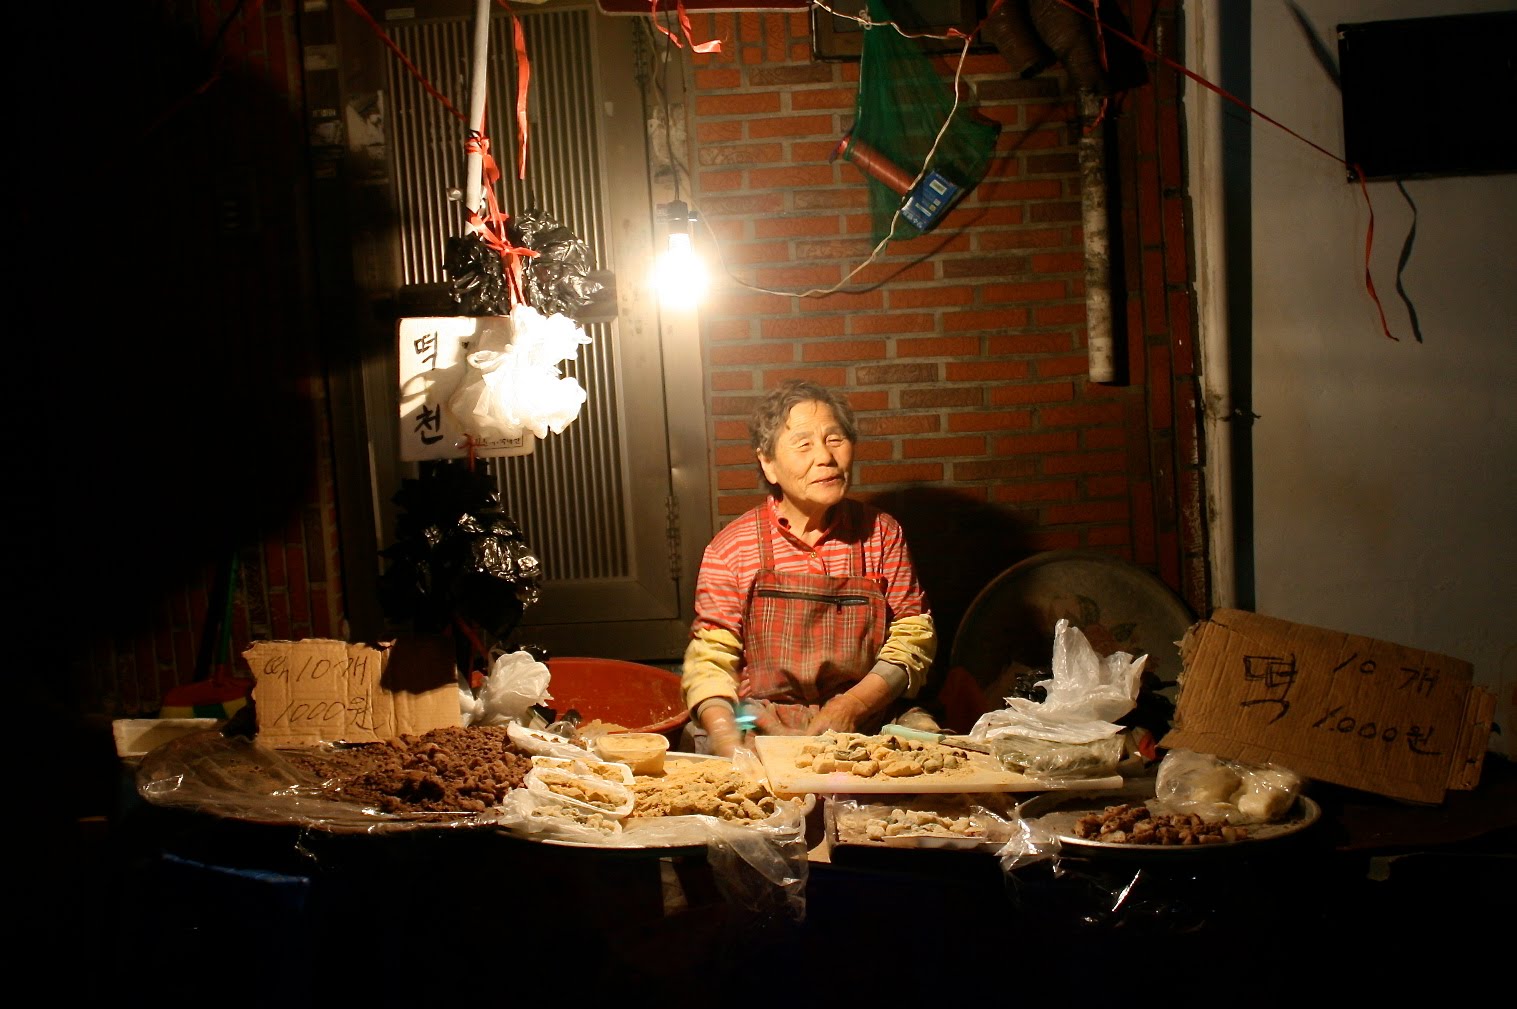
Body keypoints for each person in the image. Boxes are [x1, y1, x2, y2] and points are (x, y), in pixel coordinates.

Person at [680, 380, 938, 757]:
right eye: (803, 444)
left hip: (868, 717)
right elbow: (710, 656)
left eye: (835, 439)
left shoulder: (881, 534)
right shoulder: (731, 548)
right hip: (762, 723)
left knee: (930, 758)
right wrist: (725, 735)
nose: (826, 458)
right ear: (768, 464)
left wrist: (853, 706)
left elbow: (913, 636)